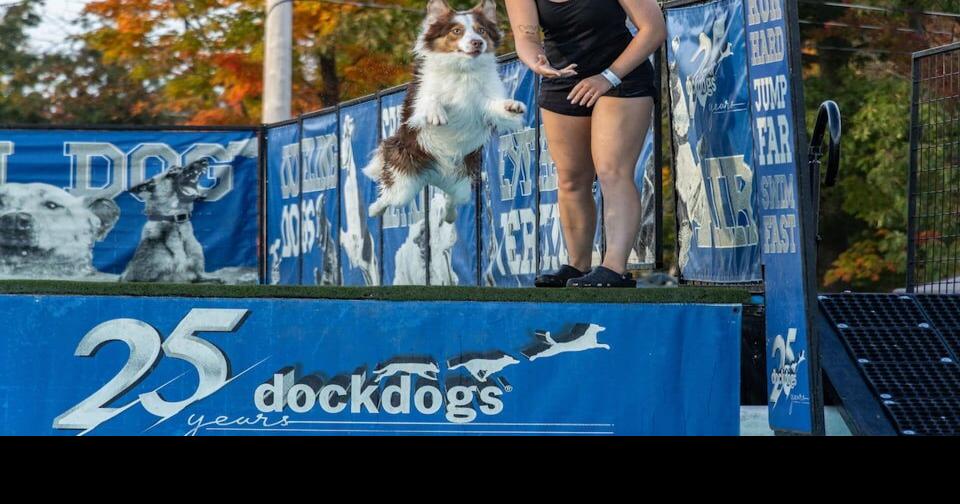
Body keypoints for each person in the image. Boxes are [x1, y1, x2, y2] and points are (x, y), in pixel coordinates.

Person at [504, 0, 665, 287]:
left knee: (611, 170)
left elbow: (653, 29)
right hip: (563, 79)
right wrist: (537, 62)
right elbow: (526, 38)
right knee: (570, 178)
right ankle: (577, 265)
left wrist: (607, 77)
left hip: (620, 75)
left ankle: (614, 268)